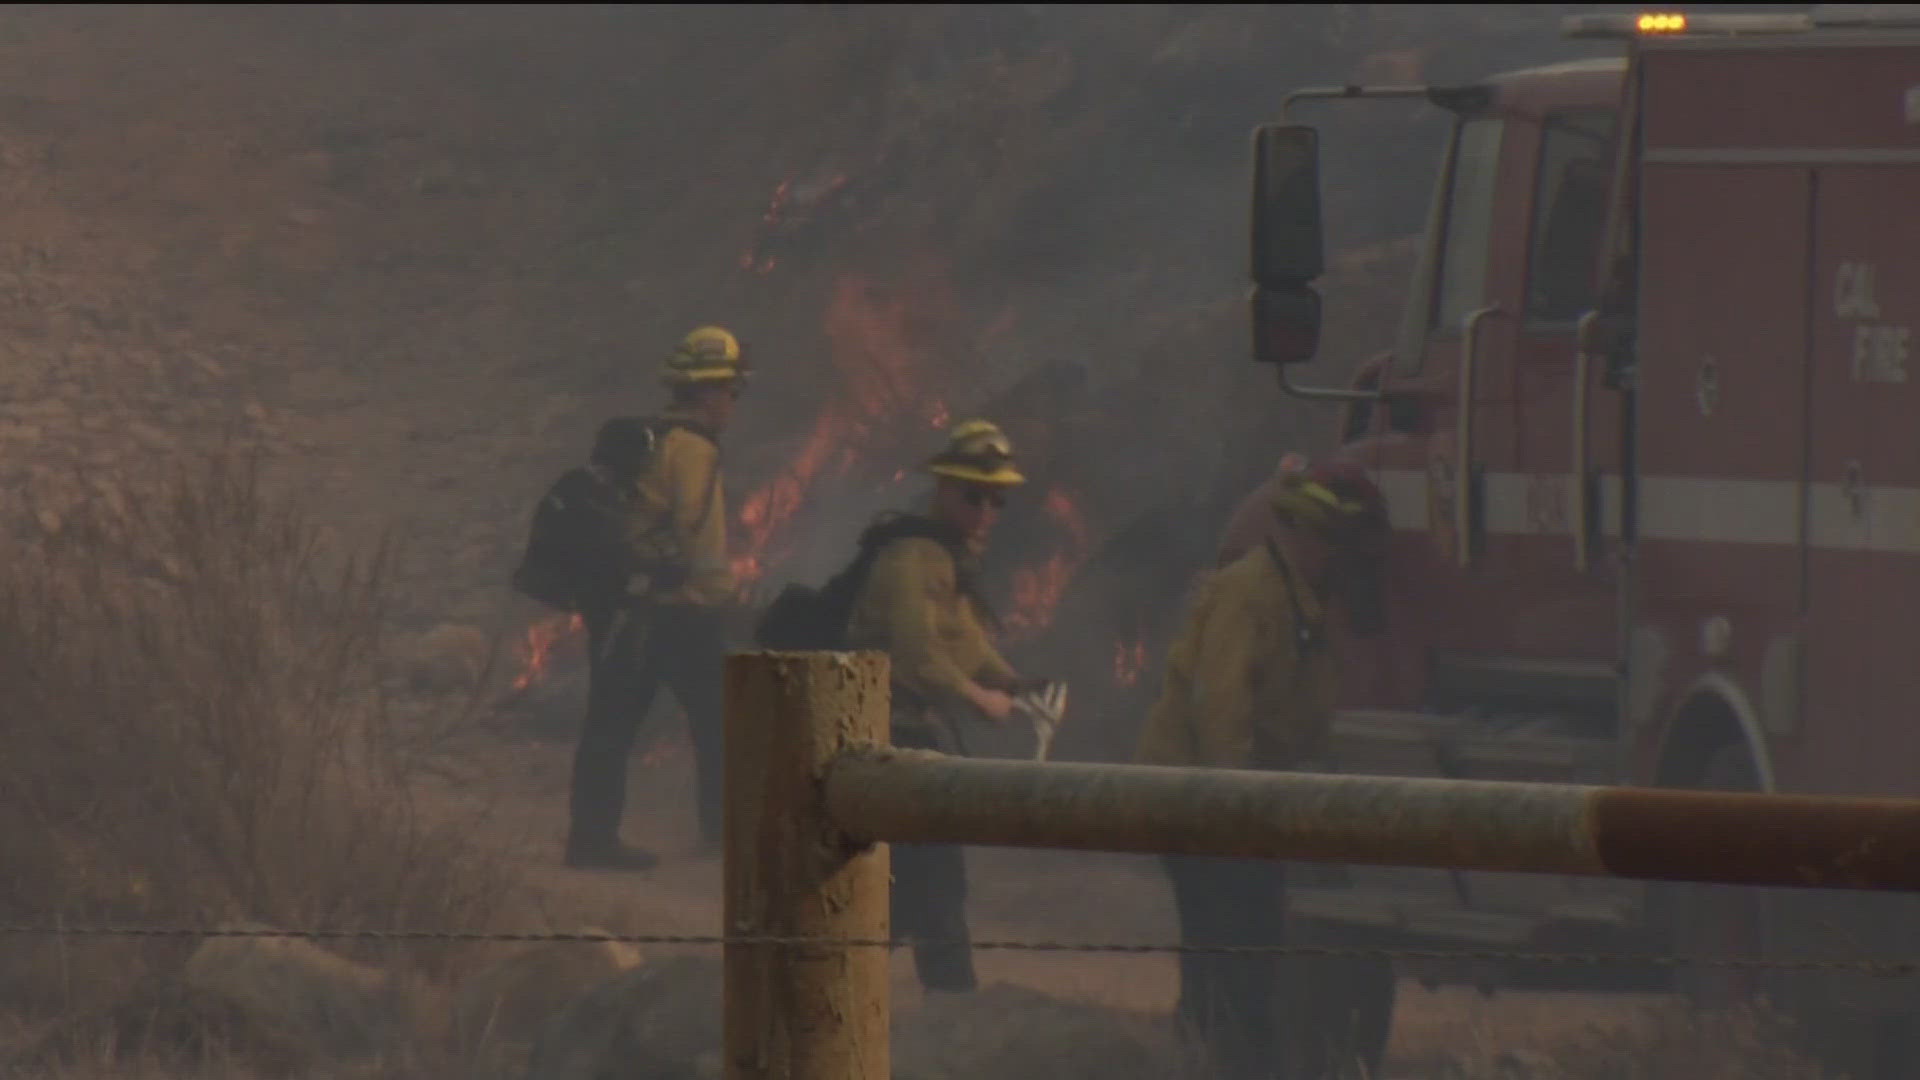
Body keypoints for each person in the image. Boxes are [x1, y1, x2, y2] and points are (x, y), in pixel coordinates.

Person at [1135, 460, 1390, 1079]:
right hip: (1201, 801)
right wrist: (1238, 808)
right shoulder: (1252, 592)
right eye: (1336, 543)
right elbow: (1220, 705)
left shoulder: (1299, 597)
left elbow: (1297, 708)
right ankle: (1214, 1057)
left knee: (1242, 939)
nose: (1343, 559)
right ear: (1309, 536)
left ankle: (1224, 1052)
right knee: (1227, 941)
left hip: (1238, 800)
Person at [843, 418, 1034, 993]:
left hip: (912, 735)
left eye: (996, 499)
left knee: (917, 884)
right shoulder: (913, 558)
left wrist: (1014, 683)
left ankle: (847, 985)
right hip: (888, 733)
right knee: (936, 881)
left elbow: (964, 640)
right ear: (942, 489)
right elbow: (919, 656)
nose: (985, 511)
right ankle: (956, 1011)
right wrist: (984, 700)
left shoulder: (944, 557)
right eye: (973, 495)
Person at [565, 325, 747, 871]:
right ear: (709, 391)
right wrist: (722, 592)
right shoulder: (693, 449)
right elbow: (691, 532)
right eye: (731, 391)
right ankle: (721, 835)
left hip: (633, 608)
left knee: (611, 726)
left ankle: (590, 839)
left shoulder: (654, 441)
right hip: (681, 611)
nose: (733, 404)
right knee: (719, 725)